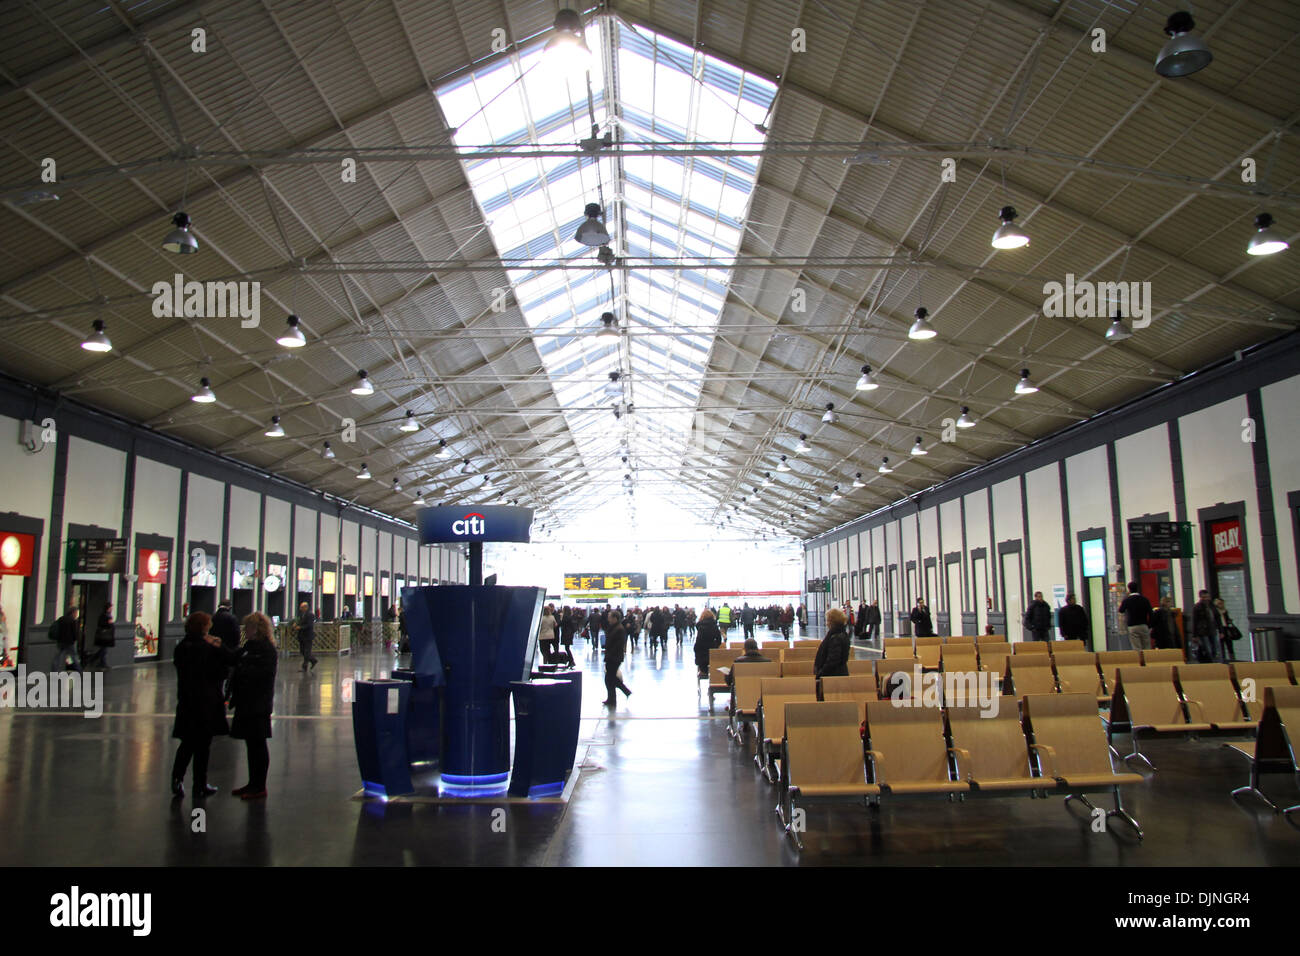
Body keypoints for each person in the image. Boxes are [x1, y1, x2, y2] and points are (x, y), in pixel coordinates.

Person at [171, 611, 231, 798]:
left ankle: (177, 779)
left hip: (187, 701)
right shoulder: (207, 648)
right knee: (203, 746)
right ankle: (200, 784)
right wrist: (218, 646)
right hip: (207, 702)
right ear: (205, 627)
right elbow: (223, 669)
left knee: (187, 744)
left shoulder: (181, 646)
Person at [230, 612, 278, 799]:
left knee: (258, 744)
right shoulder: (249, 647)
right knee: (251, 744)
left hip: (258, 703)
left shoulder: (266, 649)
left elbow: (263, 674)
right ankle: (252, 783)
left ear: (257, 629)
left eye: (248, 627)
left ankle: (259, 786)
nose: (246, 631)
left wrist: (245, 671)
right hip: (247, 702)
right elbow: (234, 658)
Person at [602, 608, 631, 707]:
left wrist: (610, 653)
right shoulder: (614, 627)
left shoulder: (619, 629)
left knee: (609, 678)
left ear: (615, 618)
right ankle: (612, 698)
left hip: (614, 657)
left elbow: (618, 644)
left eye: (609, 617)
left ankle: (623, 692)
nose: (608, 619)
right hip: (611, 656)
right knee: (609, 678)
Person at [814, 607, 851, 678]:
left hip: (833, 675)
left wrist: (820, 673)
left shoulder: (835, 637)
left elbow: (833, 661)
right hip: (841, 672)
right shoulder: (842, 633)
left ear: (832, 622)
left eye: (827, 620)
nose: (826, 623)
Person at [1117, 581, 1153, 652]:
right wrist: (1149, 625)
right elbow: (1151, 613)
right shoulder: (1144, 599)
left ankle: (1140, 661)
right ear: (1137, 588)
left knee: (1137, 648)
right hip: (1143, 624)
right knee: (1147, 646)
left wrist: (1125, 598)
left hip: (1132, 626)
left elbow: (1121, 610)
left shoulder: (1127, 600)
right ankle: (1148, 660)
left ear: (1129, 589)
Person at [49, 604, 82, 673]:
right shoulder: (73, 621)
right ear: (73, 612)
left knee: (57, 657)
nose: (77, 614)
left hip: (60, 641)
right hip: (70, 642)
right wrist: (76, 639)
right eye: (76, 613)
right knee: (74, 657)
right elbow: (75, 632)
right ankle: (80, 671)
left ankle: (54, 670)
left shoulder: (61, 619)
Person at [1191, 590, 1221, 663]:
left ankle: (1215, 661)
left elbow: (1217, 618)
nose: (1206, 599)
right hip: (1203, 632)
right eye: (1204, 597)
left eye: (1207, 597)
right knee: (1208, 649)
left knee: (1215, 648)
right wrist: (1194, 635)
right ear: (1200, 597)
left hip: (1213, 630)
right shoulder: (1197, 607)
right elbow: (1195, 621)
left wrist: (1221, 630)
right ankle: (1210, 662)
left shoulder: (1212, 606)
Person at [693, 608, 721, 678]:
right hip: (712, 650)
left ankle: (703, 672)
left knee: (699, 655)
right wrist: (715, 646)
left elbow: (698, 641)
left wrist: (695, 648)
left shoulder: (701, 627)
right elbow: (719, 639)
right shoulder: (715, 626)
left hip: (702, 652)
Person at [86, 605, 115, 670]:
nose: (111, 609)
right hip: (104, 636)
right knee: (103, 650)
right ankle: (96, 661)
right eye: (110, 608)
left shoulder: (107, 615)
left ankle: (95, 661)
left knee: (103, 650)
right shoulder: (104, 616)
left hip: (107, 636)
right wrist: (109, 623)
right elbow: (102, 624)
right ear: (107, 608)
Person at [295, 601, 318, 671]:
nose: (300, 609)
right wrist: (297, 624)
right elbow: (301, 622)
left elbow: (309, 625)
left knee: (307, 651)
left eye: (302, 607)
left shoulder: (310, 615)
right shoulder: (302, 614)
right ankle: (313, 660)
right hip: (302, 636)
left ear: (306, 607)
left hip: (308, 636)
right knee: (302, 651)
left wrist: (300, 627)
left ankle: (304, 667)